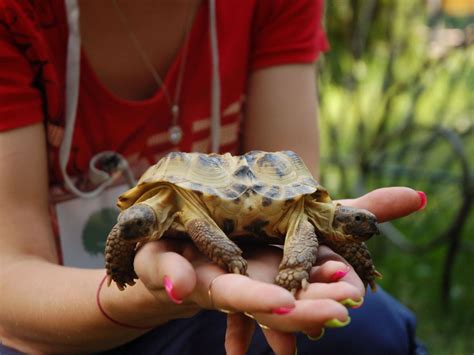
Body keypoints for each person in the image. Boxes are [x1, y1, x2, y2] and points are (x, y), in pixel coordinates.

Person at [0, 0, 427, 354]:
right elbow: (10, 274)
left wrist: (311, 253)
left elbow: (295, 199)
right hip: (40, 322)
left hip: (210, 289)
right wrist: (123, 295)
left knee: (369, 328)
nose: (132, 225)